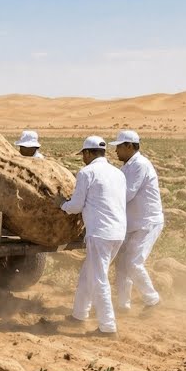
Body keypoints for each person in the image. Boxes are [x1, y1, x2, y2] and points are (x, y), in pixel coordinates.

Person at [60, 136, 127, 335]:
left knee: (99, 278)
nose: (83, 158)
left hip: (100, 233)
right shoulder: (118, 173)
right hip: (118, 231)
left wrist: (61, 204)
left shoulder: (87, 172)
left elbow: (76, 206)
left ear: (88, 153)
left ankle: (108, 327)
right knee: (88, 274)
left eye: (83, 155)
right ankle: (79, 314)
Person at [109, 130, 164, 312]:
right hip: (132, 223)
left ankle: (153, 300)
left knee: (133, 262)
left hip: (146, 222)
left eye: (119, 146)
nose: (116, 150)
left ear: (130, 146)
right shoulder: (126, 167)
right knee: (122, 264)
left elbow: (127, 194)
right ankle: (123, 305)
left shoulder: (140, 165)